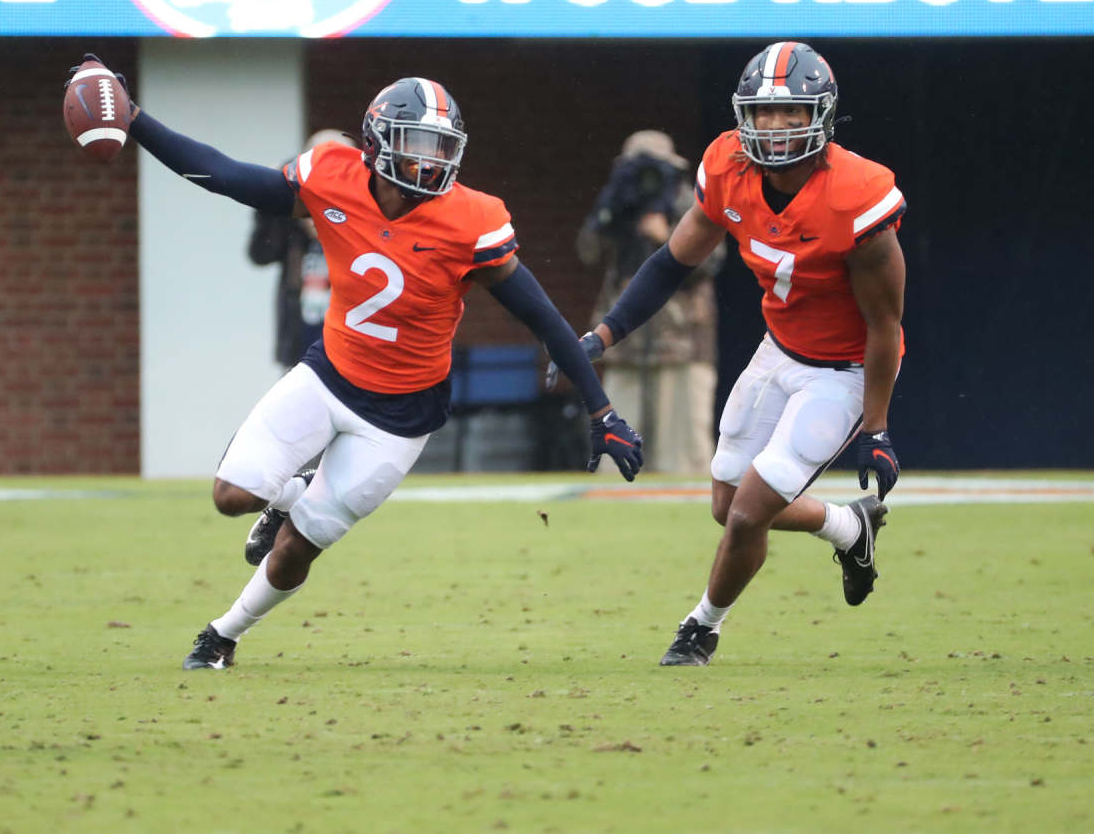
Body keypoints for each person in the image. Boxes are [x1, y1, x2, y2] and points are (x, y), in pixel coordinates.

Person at [67, 58, 643, 670]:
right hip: (327, 374)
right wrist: (137, 120)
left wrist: (601, 409)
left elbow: (544, 318)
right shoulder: (331, 175)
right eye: (417, 144)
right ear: (374, 145)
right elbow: (227, 176)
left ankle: (222, 635)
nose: (430, 161)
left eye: (441, 147)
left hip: (402, 416)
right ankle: (288, 493)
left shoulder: (472, 219)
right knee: (231, 495)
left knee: (300, 547)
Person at [573, 41, 905, 666]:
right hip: (777, 351)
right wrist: (606, 333)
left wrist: (878, 428)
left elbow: (884, 324)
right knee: (725, 506)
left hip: (843, 371)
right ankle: (847, 527)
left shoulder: (857, 194)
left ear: (823, 117)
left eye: (791, 114)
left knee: (749, 514)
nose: (775, 129)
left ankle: (701, 627)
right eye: (763, 113)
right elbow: (672, 261)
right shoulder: (727, 165)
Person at [564, 129, 723, 474]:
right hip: (625, 347)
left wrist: (667, 236)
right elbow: (587, 252)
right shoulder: (621, 201)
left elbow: (713, 261)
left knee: (683, 460)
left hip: (683, 345)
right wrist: (611, 209)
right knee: (616, 459)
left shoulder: (691, 201)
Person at [248, 130, 356, 370]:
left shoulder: (359, 228)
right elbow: (259, 254)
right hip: (300, 349)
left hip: (348, 354)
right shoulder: (292, 231)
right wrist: (268, 200)